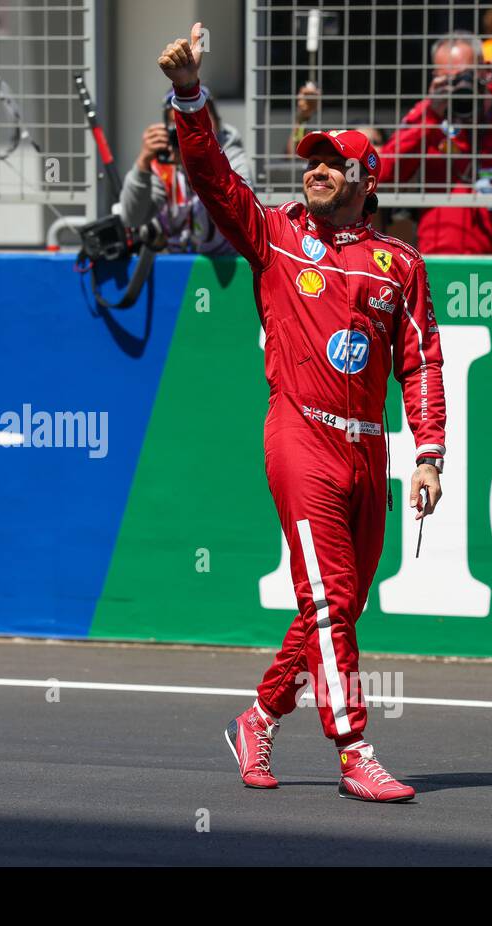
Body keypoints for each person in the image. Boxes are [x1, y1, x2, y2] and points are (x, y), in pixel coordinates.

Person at [158, 23, 445, 803]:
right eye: (311, 159)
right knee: (324, 600)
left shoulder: (401, 265)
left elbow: (421, 362)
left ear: (366, 178)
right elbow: (212, 176)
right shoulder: (277, 235)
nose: (315, 169)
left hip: (369, 452)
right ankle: (354, 748)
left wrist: (428, 454)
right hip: (299, 435)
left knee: (342, 602)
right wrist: (190, 96)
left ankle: (257, 716)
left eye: (333, 161)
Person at [379, 32, 492, 255]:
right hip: (446, 262)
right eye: (449, 80)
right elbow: (384, 174)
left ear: (486, 71)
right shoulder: (425, 117)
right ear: (435, 77)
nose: (459, 87)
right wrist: (431, 117)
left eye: (465, 76)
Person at [120, 85, 252, 254]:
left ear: (216, 123)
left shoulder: (232, 157)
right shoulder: (163, 163)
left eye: (198, 121)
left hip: (226, 262)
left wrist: (198, 166)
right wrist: (142, 164)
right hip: (178, 267)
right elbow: (133, 218)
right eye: (181, 125)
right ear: (168, 131)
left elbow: (242, 217)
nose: (189, 133)